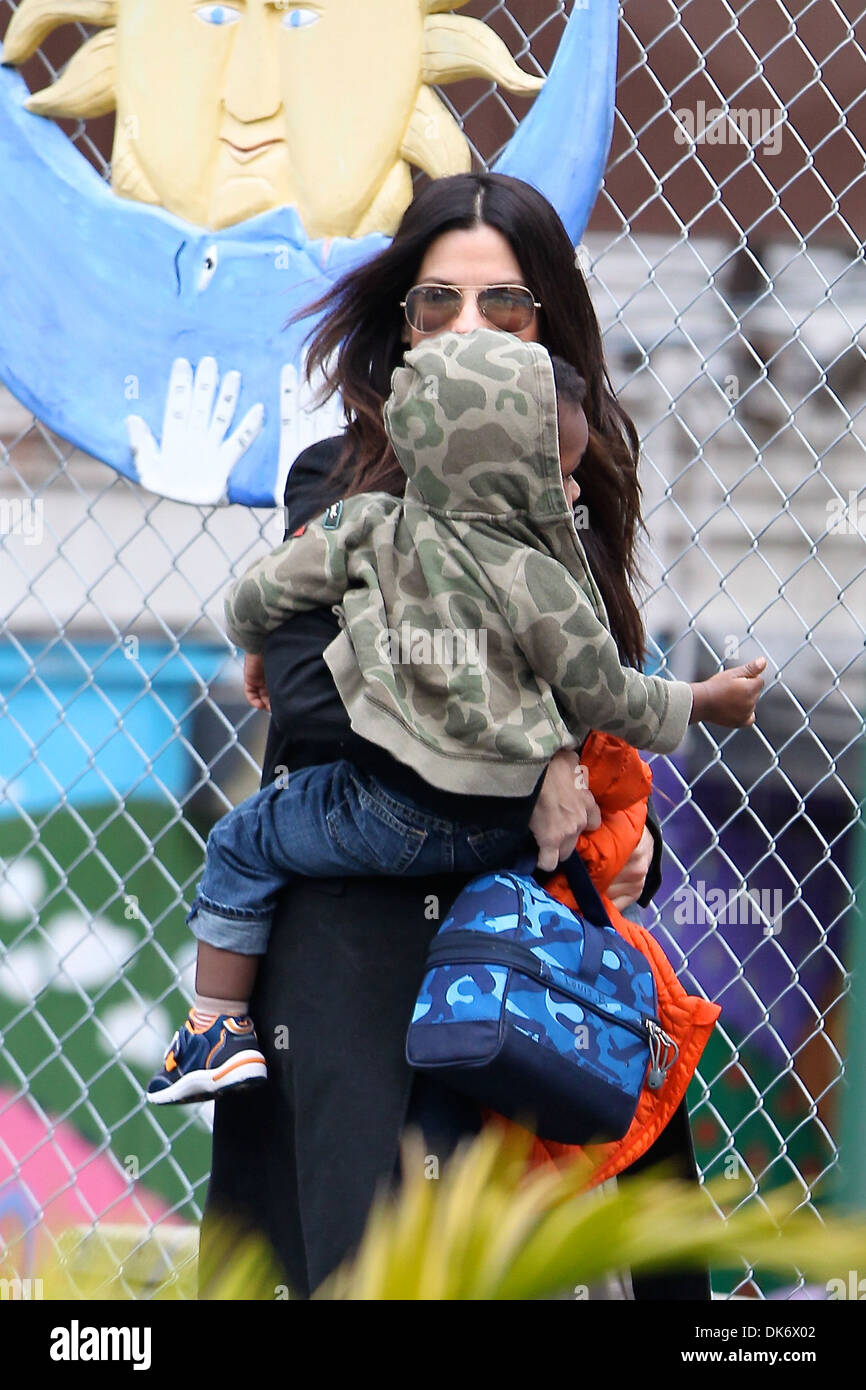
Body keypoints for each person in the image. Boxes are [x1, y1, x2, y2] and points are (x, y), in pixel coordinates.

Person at [199, 171, 761, 1300]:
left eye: (502, 306)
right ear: (396, 332)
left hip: (537, 964)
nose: (467, 328)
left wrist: (604, 808)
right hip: (365, 975)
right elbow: (312, 702)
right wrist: (530, 776)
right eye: (436, 305)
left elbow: (600, 699)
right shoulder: (341, 484)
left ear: (549, 327)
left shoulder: (579, 491)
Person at [150, 333, 762, 1106]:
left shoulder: (370, 523)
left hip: (389, 812)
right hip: (505, 827)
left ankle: (217, 1028)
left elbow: (262, 591)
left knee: (246, 839)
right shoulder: (541, 579)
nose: (573, 495)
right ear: (508, 472)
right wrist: (705, 699)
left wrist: (257, 646)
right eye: (560, 475)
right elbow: (608, 695)